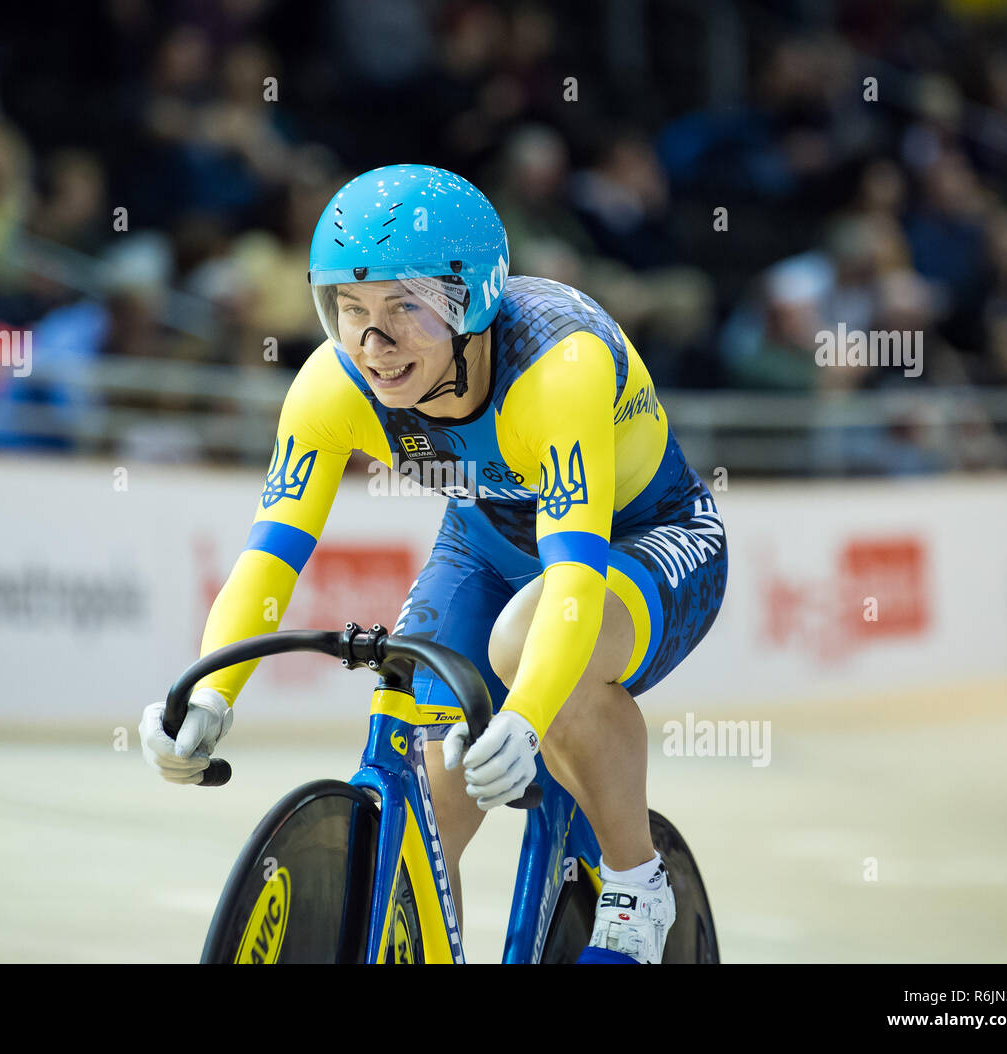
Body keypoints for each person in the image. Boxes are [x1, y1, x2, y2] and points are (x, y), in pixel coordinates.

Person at [139, 164, 728, 964]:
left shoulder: (560, 369)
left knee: (529, 651)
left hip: (644, 537)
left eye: (402, 311)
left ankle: (636, 887)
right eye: (349, 311)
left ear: (472, 303)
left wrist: (524, 715)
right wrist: (212, 690)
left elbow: (573, 584)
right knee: (428, 777)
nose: (373, 345)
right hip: (486, 540)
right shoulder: (332, 384)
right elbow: (270, 559)